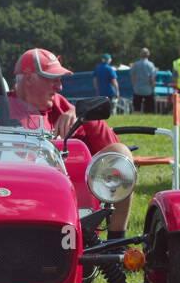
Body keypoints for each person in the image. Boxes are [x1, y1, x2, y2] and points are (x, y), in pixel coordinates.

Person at [9, 48, 135, 240]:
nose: (59, 87)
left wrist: (80, 114)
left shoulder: (63, 107)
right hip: (15, 203)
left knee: (120, 155)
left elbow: (115, 153)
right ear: (28, 78)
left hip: (70, 204)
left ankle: (116, 242)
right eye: (52, 79)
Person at [130, 48, 157, 113]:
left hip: (137, 89)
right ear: (148, 54)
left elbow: (132, 77)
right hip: (148, 90)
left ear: (140, 54)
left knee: (137, 109)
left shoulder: (135, 64)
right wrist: (153, 87)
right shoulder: (151, 65)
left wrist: (134, 85)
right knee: (149, 109)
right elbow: (152, 78)